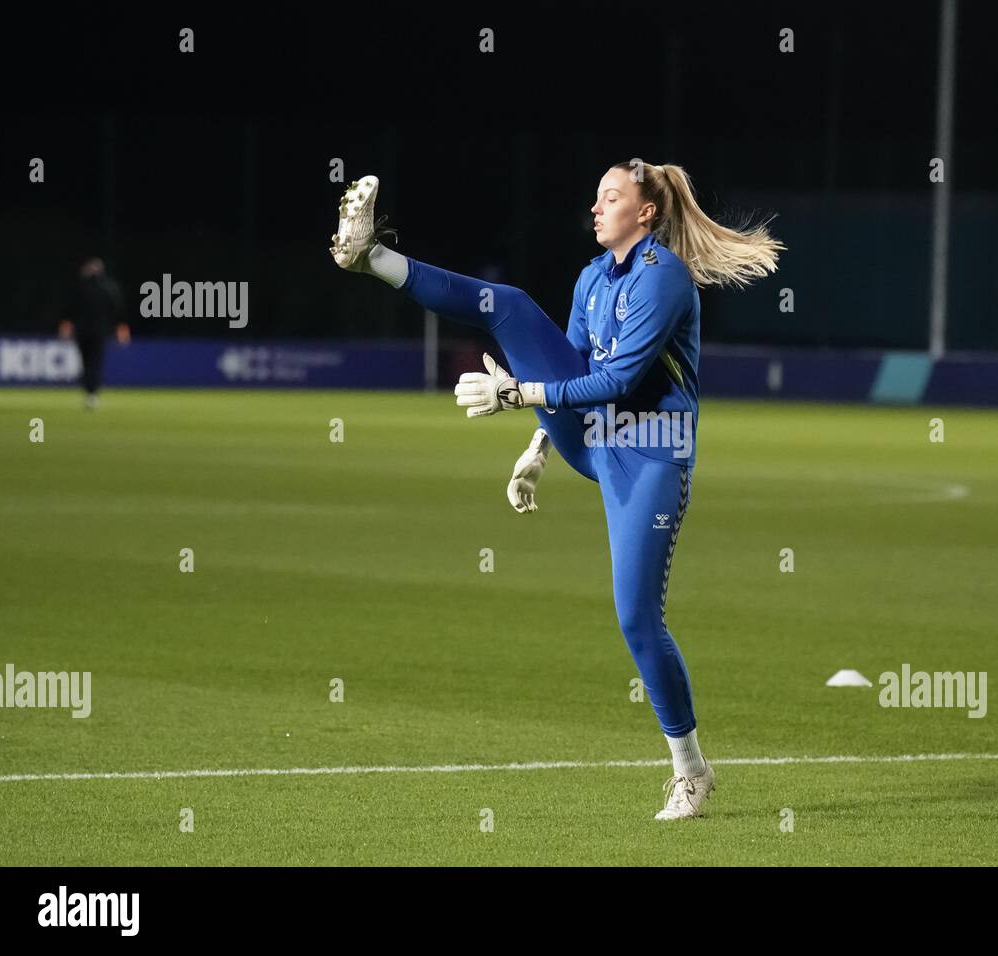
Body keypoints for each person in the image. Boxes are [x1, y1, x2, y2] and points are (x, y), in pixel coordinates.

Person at [330, 162, 783, 819]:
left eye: (611, 197)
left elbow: (617, 383)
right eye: (596, 196)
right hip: (594, 438)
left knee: (636, 618)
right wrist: (539, 447)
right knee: (510, 304)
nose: (595, 208)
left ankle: (692, 771)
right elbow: (570, 365)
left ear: (646, 213)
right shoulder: (592, 278)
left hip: (651, 455)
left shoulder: (663, 279)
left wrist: (515, 395)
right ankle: (370, 256)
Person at [58, 257, 130, 409]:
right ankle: (92, 393)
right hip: (99, 332)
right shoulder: (108, 288)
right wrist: (121, 328)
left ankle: (90, 392)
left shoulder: (82, 287)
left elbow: (70, 309)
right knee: (94, 362)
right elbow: (117, 311)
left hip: (84, 331)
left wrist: (67, 325)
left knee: (87, 362)